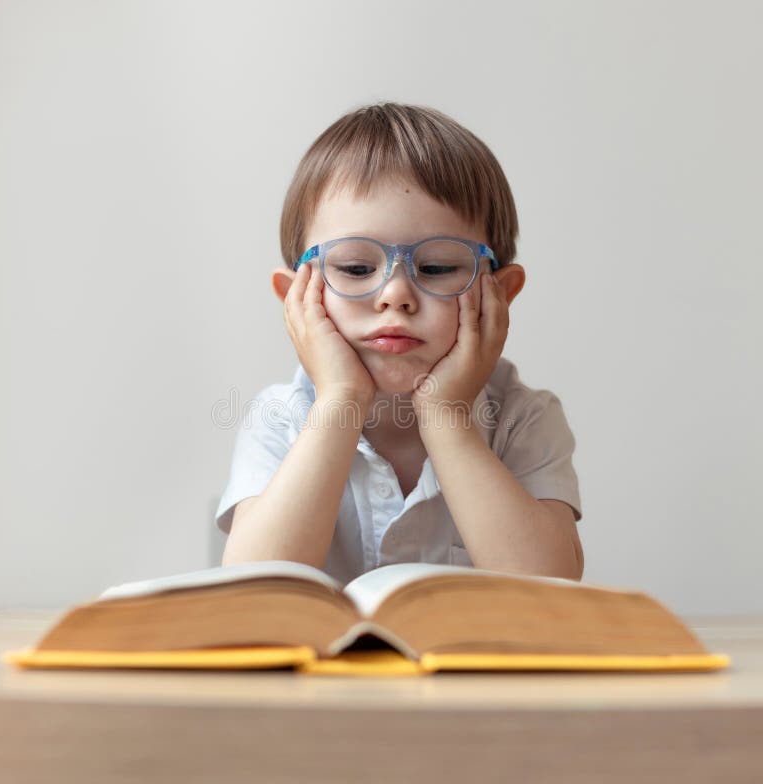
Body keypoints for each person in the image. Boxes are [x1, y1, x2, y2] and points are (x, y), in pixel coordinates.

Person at [215, 102, 584, 583]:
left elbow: (550, 586)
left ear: (500, 293)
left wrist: (445, 414)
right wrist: (340, 399)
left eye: (436, 267)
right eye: (354, 267)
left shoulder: (523, 418)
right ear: (295, 301)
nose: (395, 295)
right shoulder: (280, 418)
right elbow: (251, 591)